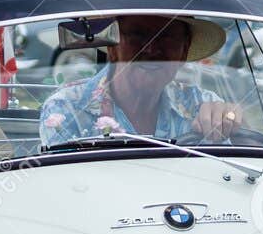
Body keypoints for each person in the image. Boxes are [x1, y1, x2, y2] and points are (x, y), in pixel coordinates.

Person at [38, 15, 242, 147]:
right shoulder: (68, 107)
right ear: (112, 47)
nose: (151, 49)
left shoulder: (202, 103)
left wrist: (229, 117)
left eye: (167, 37)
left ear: (184, 50)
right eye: (138, 35)